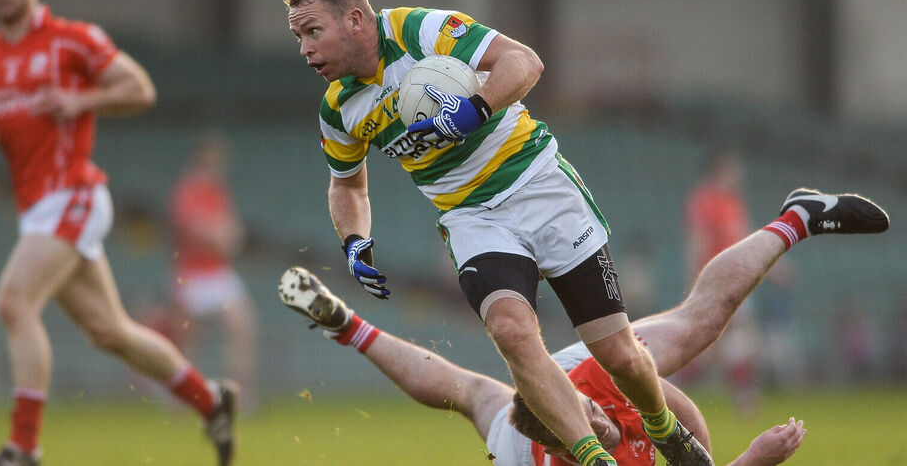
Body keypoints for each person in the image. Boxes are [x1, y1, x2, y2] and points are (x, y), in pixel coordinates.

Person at [285, 0, 707, 466]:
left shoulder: (421, 31)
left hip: (538, 185)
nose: (305, 49)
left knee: (617, 354)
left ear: (355, 19)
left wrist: (476, 108)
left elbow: (524, 62)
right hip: (470, 217)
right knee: (511, 331)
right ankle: (593, 457)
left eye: (313, 31)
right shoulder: (339, 107)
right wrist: (354, 240)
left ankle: (662, 424)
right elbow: (347, 184)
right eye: (298, 37)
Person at [279, 188, 888, 465]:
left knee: (693, 327)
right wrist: (753, 460)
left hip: (559, 385)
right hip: (522, 441)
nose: (599, 416)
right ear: (559, 447)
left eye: (588, 410)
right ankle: (342, 322)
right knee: (470, 396)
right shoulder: (538, 451)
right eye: (587, 422)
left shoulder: (593, 384)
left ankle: (798, 218)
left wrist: (674, 433)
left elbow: (674, 428)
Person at [0, 0, 236, 466]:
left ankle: (23, 449)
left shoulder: (71, 40)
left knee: (13, 303)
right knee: (112, 333)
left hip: (75, 194)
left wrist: (81, 103)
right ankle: (211, 400)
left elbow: (140, 88)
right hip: (36, 209)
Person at [168, 132, 258, 409]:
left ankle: (240, 393)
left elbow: (231, 231)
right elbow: (197, 230)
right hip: (192, 274)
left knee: (243, 324)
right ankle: (182, 395)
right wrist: (220, 234)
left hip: (218, 272)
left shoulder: (218, 191)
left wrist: (223, 233)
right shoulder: (188, 191)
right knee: (190, 339)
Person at [682, 149, 761, 414]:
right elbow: (698, 240)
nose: (737, 176)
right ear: (719, 171)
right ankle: (671, 389)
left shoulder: (734, 202)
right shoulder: (705, 200)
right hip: (717, 278)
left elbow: (745, 239)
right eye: (732, 171)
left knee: (732, 338)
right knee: (711, 342)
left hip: (738, 277)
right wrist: (696, 280)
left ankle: (743, 397)